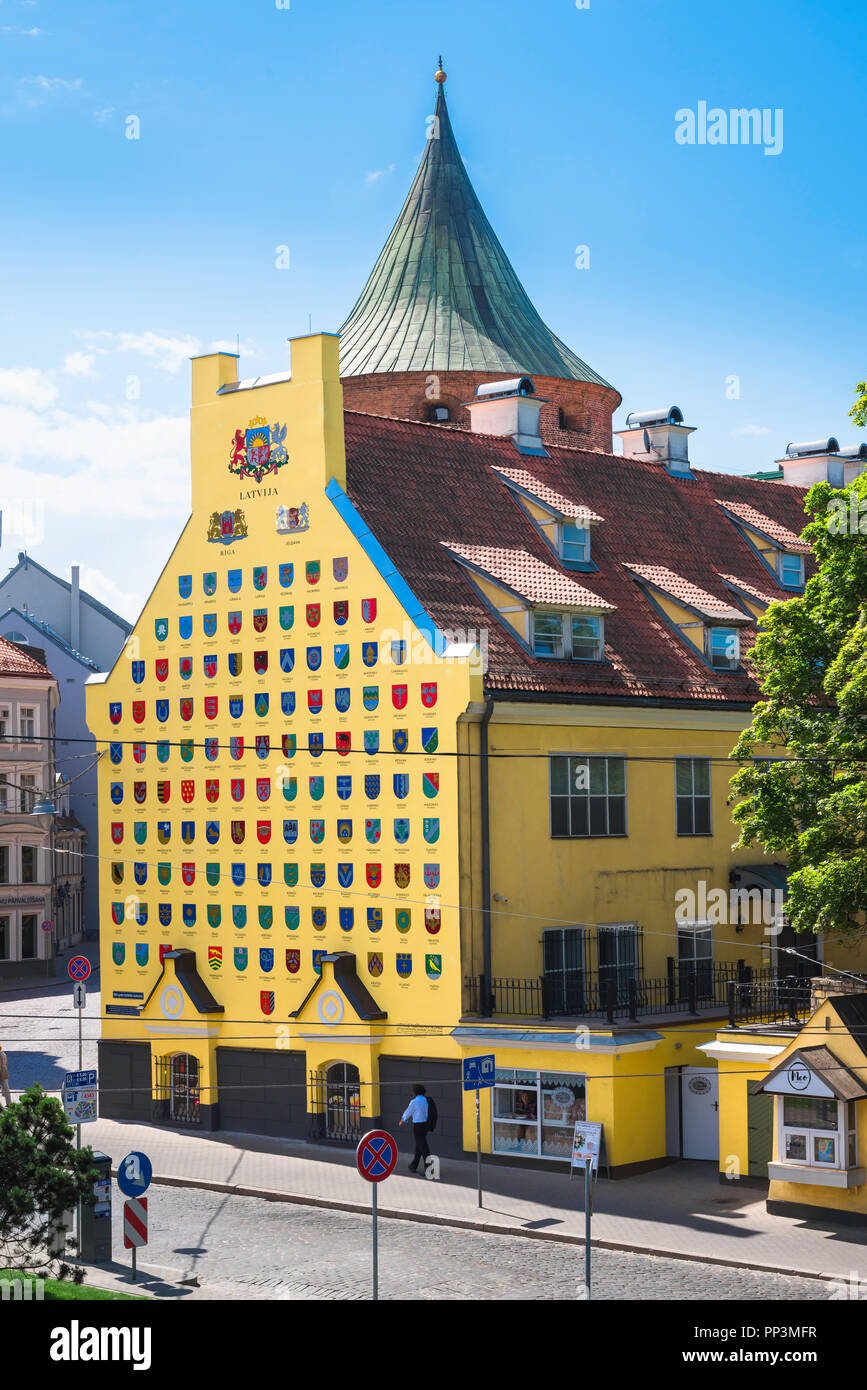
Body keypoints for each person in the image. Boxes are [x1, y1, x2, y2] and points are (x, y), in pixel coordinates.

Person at [398, 1083, 430, 1173]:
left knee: (423, 1148)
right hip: (425, 1125)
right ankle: (413, 1166)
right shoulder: (425, 1100)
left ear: (415, 1092)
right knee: (419, 1145)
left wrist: (402, 1120)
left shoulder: (414, 1101)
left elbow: (408, 1111)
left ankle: (429, 1169)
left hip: (418, 1126)